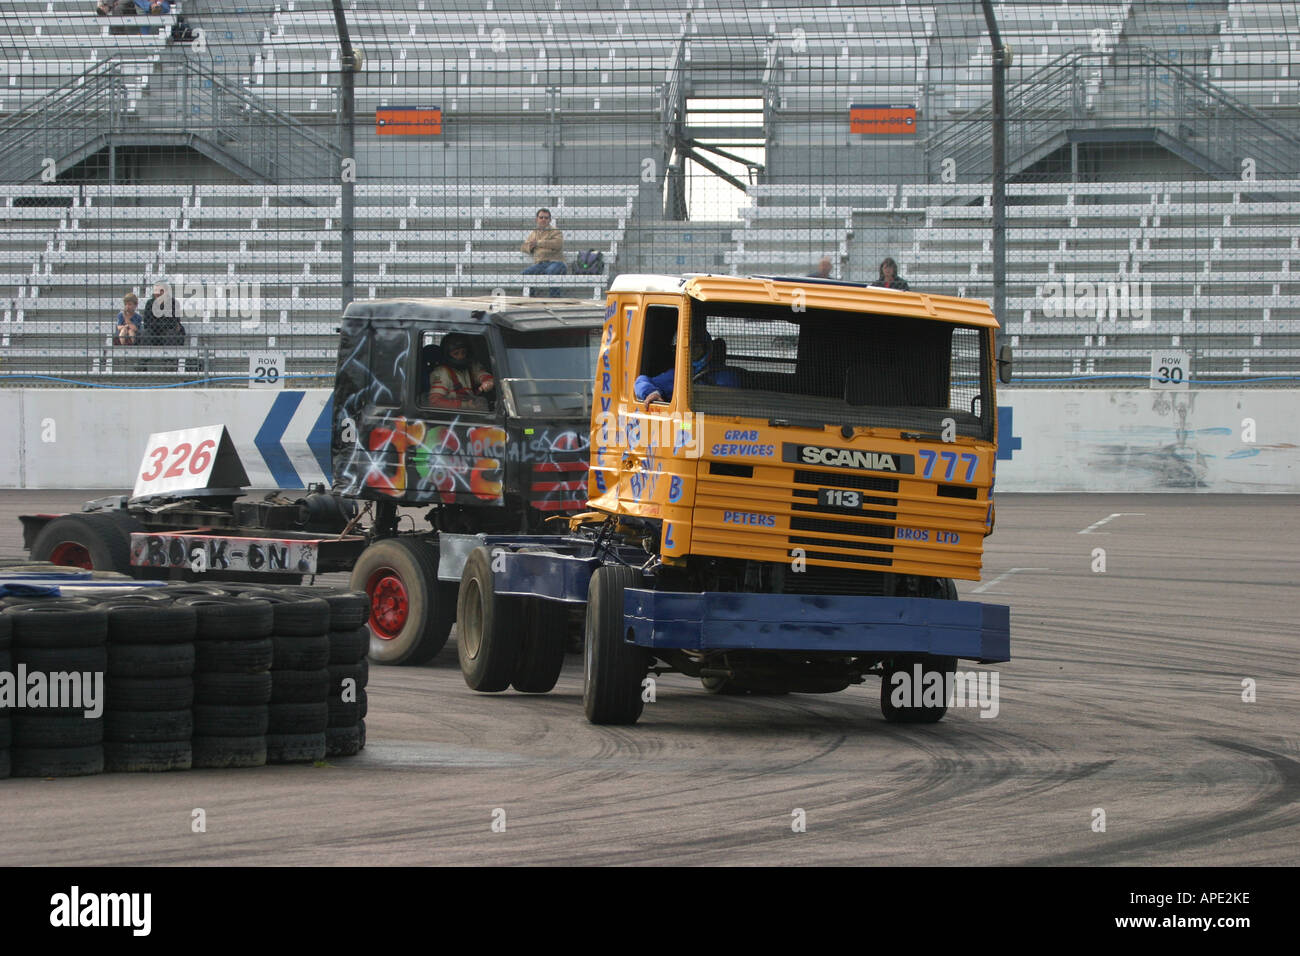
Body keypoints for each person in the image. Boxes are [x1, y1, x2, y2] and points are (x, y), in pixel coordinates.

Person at [635, 329, 738, 404]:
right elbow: (641, 381)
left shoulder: (725, 376)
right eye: (690, 346)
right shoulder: (677, 375)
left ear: (707, 348)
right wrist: (651, 392)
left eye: (697, 346)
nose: (693, 351)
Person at [428, 333, 495, 410]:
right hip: (452, 416)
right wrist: (464, 405)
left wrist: (487, 381)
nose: (461, 356)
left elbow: (481, 374)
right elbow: (434, 402)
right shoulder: (442, 372)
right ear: (447, 354)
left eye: (463, 352)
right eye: (456, 353)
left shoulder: (469, 367)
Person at [520, 208, 566, 296]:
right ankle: (531, 299)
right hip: (540, 264)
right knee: (525, 274)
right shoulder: (534, 233)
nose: (543, 220)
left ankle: (554, 299)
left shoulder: (556, 231)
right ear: (537, 219)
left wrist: (538, 243)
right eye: (541, 217)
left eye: (546, 218)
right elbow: (523, 246)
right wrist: (531, 247)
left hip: (556, 263)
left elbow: (557, 244)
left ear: (550, 220)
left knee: (552, 272)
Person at [141, 282, 185, 346]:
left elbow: (174, 322)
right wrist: (164, 322)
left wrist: (157, 322)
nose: (158, 293)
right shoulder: (149, 303)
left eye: (161, 290)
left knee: (171, 334)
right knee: (146, 333)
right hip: (154, 332)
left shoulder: (174, 303)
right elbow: (147, 322)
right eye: (156, 290)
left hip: (168, 331)